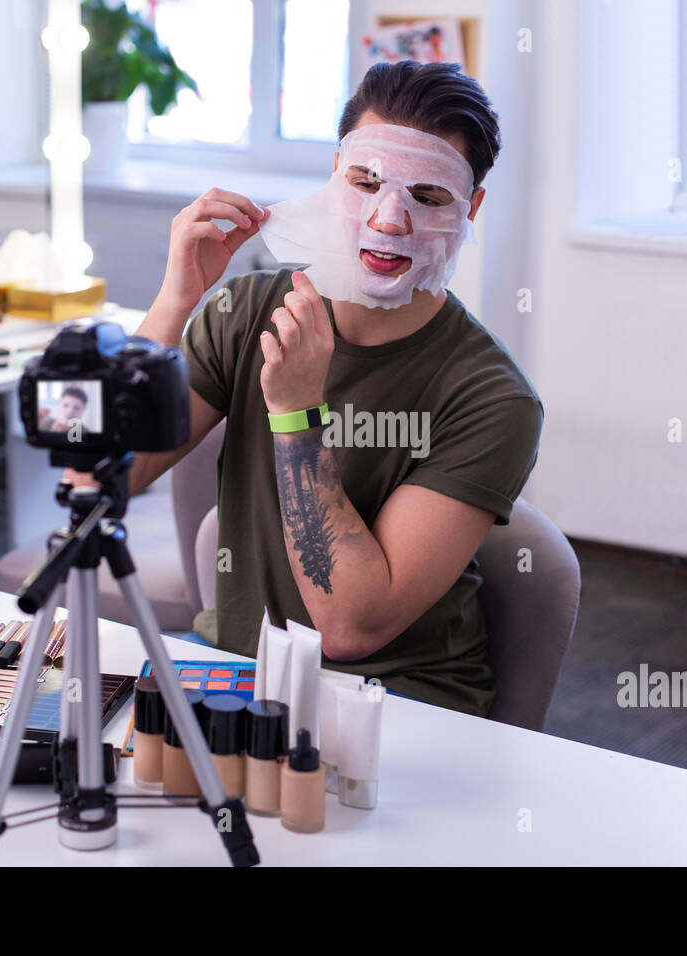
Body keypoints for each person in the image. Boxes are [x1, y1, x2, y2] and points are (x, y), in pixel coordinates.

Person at [120, 61, 542, 716]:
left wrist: (294, 414)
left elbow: (350, 627)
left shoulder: (492, 397)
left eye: (428, 197)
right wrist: (175, 302)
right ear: (334, 177)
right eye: (366, 182)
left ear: (472, 209)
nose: (390, 218)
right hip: (239, 687)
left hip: (398, 711)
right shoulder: (244, 314)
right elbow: (108, 474)